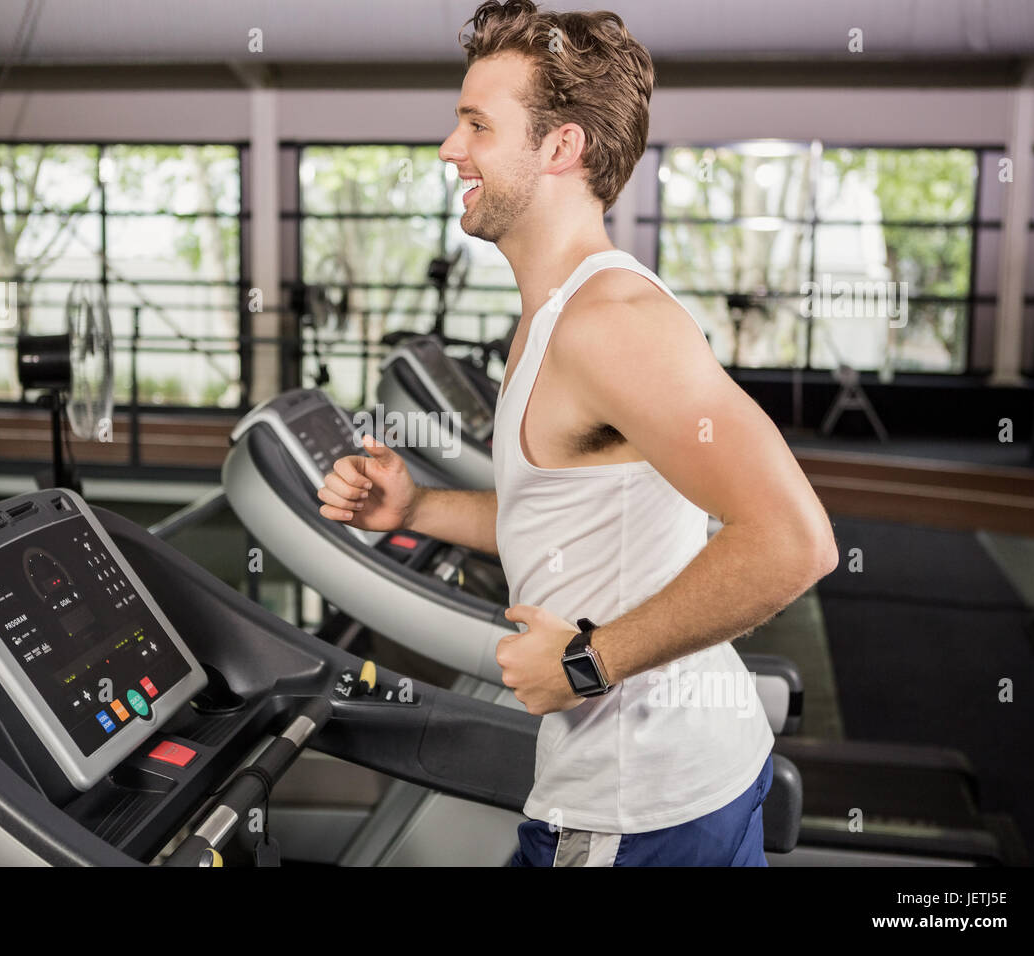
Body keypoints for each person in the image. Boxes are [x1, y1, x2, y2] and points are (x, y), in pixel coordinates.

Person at [318, 0, 838, 867]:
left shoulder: (609, 322)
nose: (450, 150)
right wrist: (414, 506)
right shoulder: (555, 316)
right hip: (673, 784)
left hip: (641, 809)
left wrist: (586, 664)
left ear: (561, 148)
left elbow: (795, 541)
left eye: (477, 125)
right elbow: (558, 514)